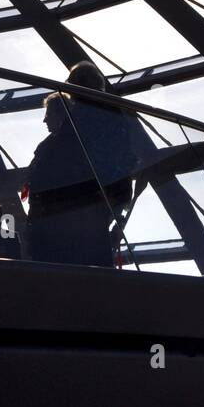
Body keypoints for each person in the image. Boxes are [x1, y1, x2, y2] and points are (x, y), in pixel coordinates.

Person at [24, 62, 137, 268]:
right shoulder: (114, 118)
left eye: (71, 84)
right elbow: (126, 161)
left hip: (74, 212)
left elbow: (63, 163)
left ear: (78, 86)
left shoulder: (78, 123)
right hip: (96, 207)